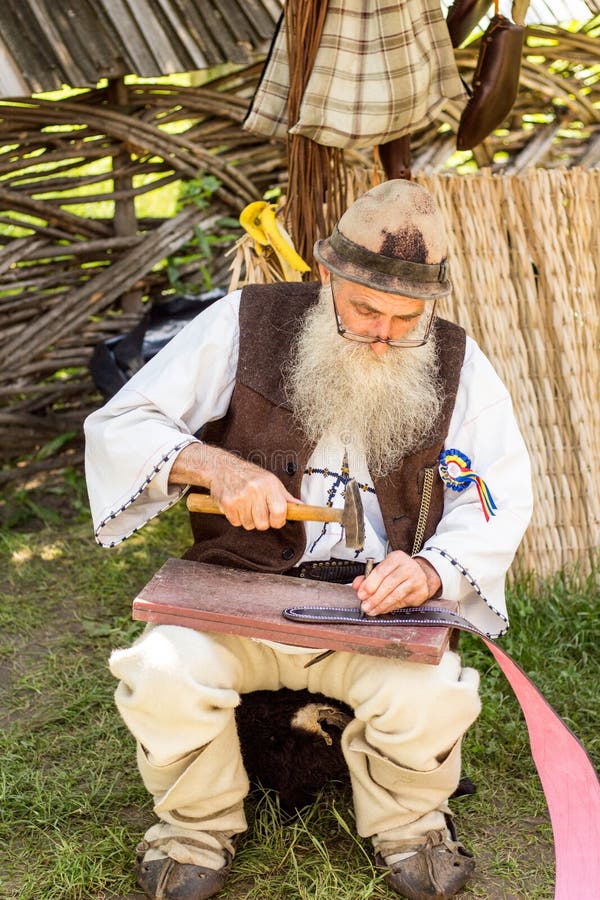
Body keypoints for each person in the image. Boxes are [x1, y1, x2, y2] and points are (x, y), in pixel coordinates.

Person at [84, 179, 533, 900]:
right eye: (363, 309)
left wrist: (430, 569)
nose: (383, 333)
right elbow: (122, 424)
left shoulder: (459, 365)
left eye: (405, 316)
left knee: (430, 696)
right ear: (327, 276)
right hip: (238, 593)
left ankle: (412, 826)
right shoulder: (245, 323)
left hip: (369, 611)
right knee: (161, 670)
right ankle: (196, 830)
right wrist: (215, 465)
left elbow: (498, 495)